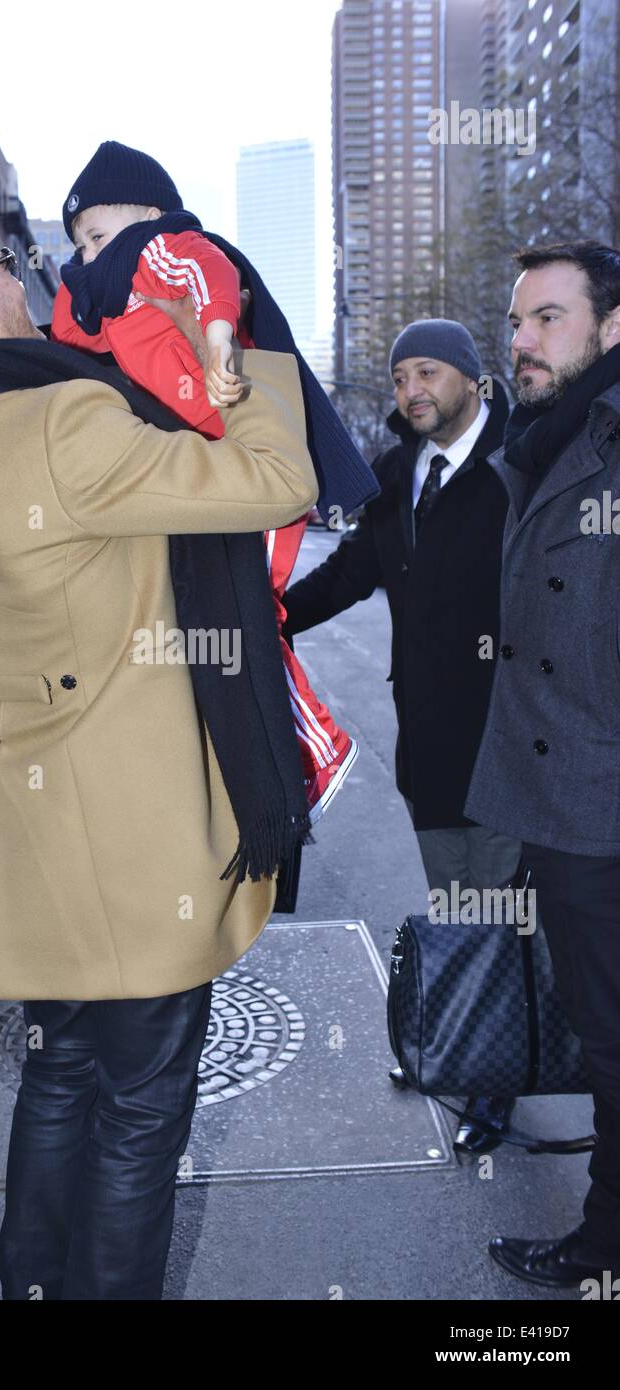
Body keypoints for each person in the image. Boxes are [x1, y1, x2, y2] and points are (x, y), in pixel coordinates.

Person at [0, 191, 320, 1300]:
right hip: (131, 840)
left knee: (62, 1075)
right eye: (8, 266)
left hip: (39, 839)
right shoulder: (59, 421)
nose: (28, 279)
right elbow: (278, 482)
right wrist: (245, 344)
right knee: (141, 1109)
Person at [50, 140, 378, 824]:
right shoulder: (95, 300)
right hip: (209, 465)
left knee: (255, 609)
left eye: (98, 235)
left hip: (257, 453)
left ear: (147, 216)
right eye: (80, 243)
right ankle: (278, 756)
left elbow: (207, 271)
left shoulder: (157, 250)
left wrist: (219, 335)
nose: (88, 255)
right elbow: (65, 354)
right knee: (228, 610)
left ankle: (316, 749)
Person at [281, 320, 521, 1155]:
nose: (410, 390)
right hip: (428, 741)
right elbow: (351, 574)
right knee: (454, 905)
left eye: (427, 372)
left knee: (497, 910)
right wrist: (265, 619)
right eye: (398, 378)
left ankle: (494, 1076)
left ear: (469, 378)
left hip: (508, 739)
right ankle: (458, 1044)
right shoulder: (394, 474)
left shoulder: (519, 464)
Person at [465, 241, 620, 1289]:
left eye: (548, 318)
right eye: (516, 320)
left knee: (610, 1042)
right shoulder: (553, 435)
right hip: (559, 796)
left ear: (611, 327)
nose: (520, 340)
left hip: (598, 806)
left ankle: (605, 1245)